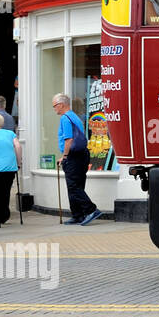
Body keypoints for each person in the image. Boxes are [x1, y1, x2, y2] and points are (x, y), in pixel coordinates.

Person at [52, 93, 100, 225]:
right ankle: (78, 215)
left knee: (73, 186)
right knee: (77, 185)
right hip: (82, 154)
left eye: (54, 106)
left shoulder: (65, 118)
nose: (54, 108)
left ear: (61, 105)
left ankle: (91, 210)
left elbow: (69, 139)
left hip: (74, 156)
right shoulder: (74, 116)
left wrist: (65, 157)